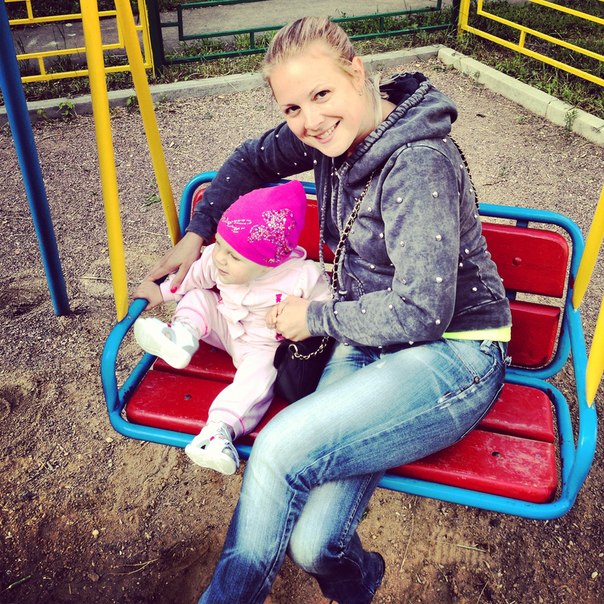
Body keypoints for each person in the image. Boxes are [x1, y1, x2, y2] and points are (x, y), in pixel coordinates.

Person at [138, 16, 512, 604]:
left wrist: (313, 319)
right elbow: (250, 160)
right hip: (366, 336)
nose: (309, 120)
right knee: (313, 543)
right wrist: (195, 236)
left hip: (453, 354)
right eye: (292, 108)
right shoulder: (325, 135)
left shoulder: (419, 165)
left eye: (321, 94)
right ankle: (359, 583)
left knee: (278, 448)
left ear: (356, 72)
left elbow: (423, 312)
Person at [134, 180, 330, 475]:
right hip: (225, 327)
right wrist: (161, 292)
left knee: (260, 378)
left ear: (271, 261)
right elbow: (191, 278)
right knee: (199, 297)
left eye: (233, 256)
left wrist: (302, 316)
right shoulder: (220, 257)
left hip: (264, 347)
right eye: (220, 245)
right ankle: (181, 337)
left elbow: (326, 309)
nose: (220, 258)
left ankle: (218, 432)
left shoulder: (303, 276)